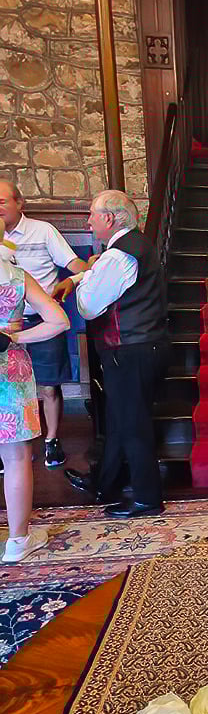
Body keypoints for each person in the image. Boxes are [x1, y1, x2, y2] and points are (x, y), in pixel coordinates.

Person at [56, 191, 169, 518]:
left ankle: (148, 499)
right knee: (120, 421)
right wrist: (85, 273)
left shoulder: (120, 255)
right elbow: (103, 277)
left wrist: (79, 283)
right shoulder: (131, 247)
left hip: (130, 349)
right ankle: (104, 484)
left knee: (132, 425)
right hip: (141, 345)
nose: (88, 220)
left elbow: (90, 306)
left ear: (110, 218)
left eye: (92, 214)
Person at [0, 181, 88, 468]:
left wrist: (93, 269)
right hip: (4, 329)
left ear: (19, 203)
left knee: (48, 386)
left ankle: (51, 440)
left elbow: (73, 263)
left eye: (1, 201)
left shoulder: (43, 231)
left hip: (42, 322)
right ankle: (9, 444)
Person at [0, 220, 70, 563]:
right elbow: (59, 321)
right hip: (9, 368)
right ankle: (17, 541)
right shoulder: (16, 277)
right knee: (15, 458)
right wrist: (14, 337)